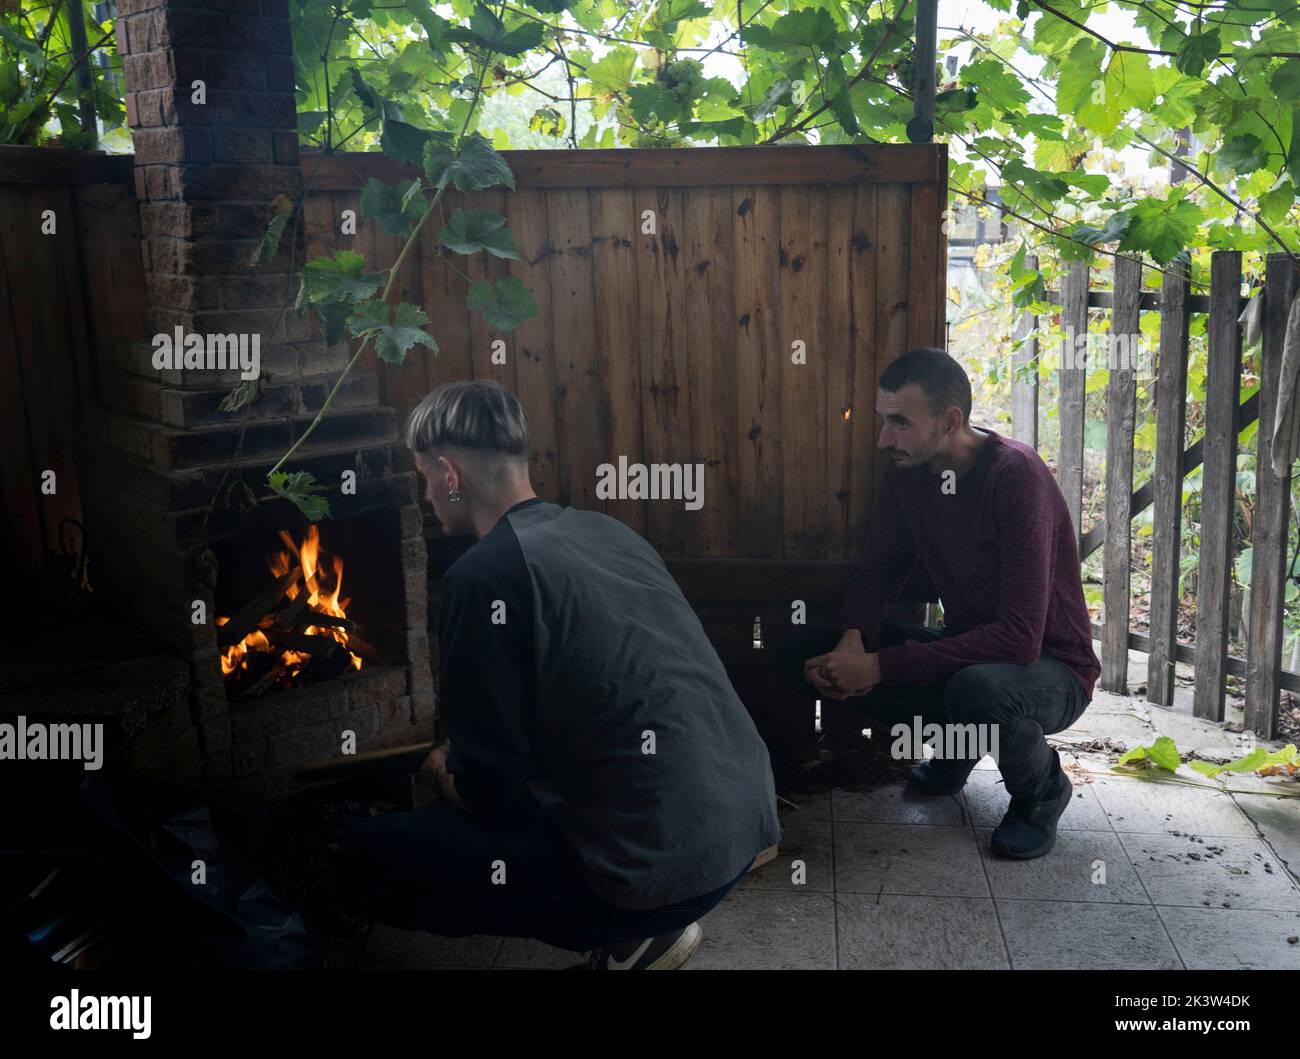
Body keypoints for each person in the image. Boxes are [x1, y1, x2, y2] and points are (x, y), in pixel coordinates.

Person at [337, 379, 780, 970]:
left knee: (360, 853)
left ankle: (633, 928)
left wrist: (445, 773)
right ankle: (646, 927)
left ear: (449, 473)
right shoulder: (609, 531)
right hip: (743, 835)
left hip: (654, 876)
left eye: (423, 477)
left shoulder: (481, 577)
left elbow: (490, 794)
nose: (426, 494)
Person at [776, 347, 1099, 860]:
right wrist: (852, 642)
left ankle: (1041, 791)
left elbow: (1019, 637)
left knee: (980, 689)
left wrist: (880, 667)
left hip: (1050, 668)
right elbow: (879, 571)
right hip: (969, 649)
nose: (884, 439)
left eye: (900, 423)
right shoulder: (908, 472)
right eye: (884, 422)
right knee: (800, 651)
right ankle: (958, 745)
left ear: (950, 421)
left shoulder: (1016, 477)